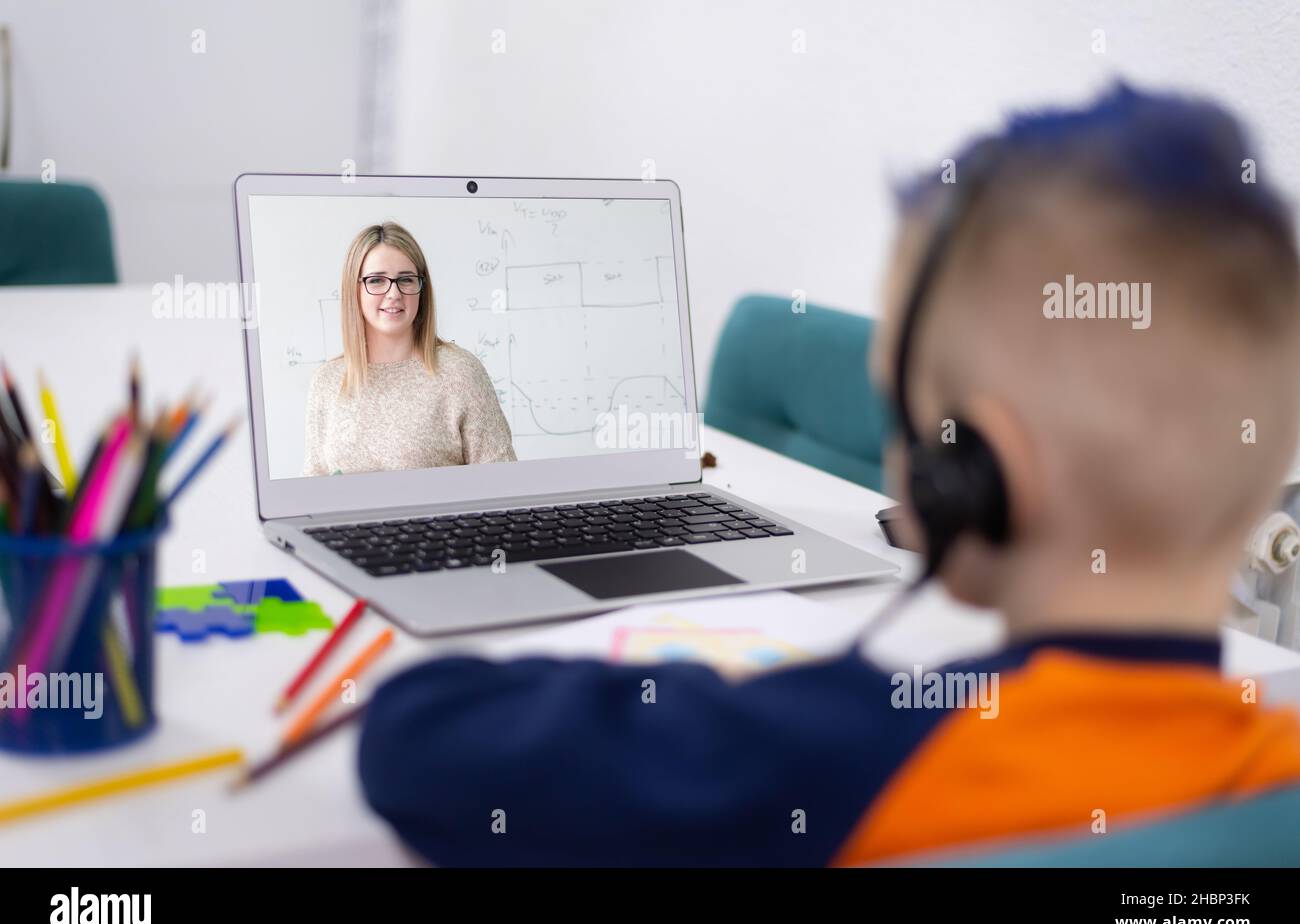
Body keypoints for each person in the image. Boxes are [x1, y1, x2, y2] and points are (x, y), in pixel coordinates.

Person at [356, 85, 1300, 865]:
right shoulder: (1277, 765)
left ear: (970, 474)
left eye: (902, 415)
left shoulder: (848, 747)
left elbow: (419, 745)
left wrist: (698, 697)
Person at [303, 221, 516, 476]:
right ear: (354, 289)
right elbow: (314, 484)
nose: (393, 293)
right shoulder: (327, 381)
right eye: (377, 280)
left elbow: (503, 481)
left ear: (421, 289)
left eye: (406, 279)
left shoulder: (460, 373)